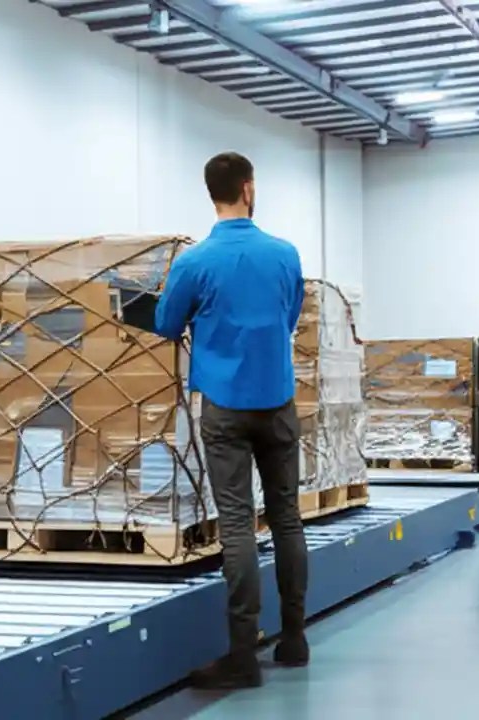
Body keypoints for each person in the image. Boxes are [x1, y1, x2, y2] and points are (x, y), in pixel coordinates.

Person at [154, 151, 309, 690]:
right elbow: (289, 317)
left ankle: (243, 657)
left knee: (239, 523)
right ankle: (294, 639)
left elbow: (167, 324)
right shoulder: (285, 254)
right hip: (278, 400)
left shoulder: (194, 263)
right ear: (248, 188)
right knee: (287, 517)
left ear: (212, 193)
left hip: (224, 405)